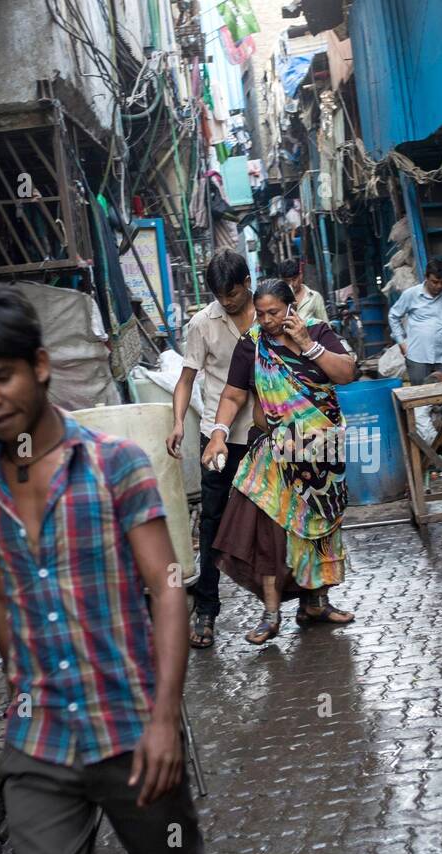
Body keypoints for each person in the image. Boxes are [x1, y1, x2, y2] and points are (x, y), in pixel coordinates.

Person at [0, 285, 216, 854]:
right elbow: (1, 597)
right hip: (40, 745)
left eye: (2, 376)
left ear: (39, 367)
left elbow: (168, 588)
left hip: (131, 731)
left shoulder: (115, 465)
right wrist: (18, 685)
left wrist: (165, 717)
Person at [202, 279, 358, 644]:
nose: (267, 320)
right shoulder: (252, 345)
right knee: (270, 535)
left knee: (322, 529)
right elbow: (234, 393)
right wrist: (219, 432)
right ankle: (271, 615)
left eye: (273, 312)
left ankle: (316, 604)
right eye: (261, 313)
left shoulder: (319, 332)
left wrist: (308, 345)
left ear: (292, 308)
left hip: (322, 456)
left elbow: (346, 374)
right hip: (276, 452)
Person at [169, 249, 257, 649]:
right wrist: (176, 423)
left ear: (247, 283)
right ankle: (206, 609)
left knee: (280, 516)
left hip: (266, 432)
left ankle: (304, 600)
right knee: (213, 522)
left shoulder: (268, 313)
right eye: (221, 295)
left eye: (233, 293)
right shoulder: (202, 324)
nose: (228, 301)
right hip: (218, 437)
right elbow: (187, 379)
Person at [276, 257, 329, 325]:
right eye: (287, 281)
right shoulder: (278, 299)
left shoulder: (314, 297)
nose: (291, 284)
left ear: (300, 275)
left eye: (294, 279)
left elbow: (325, 325)